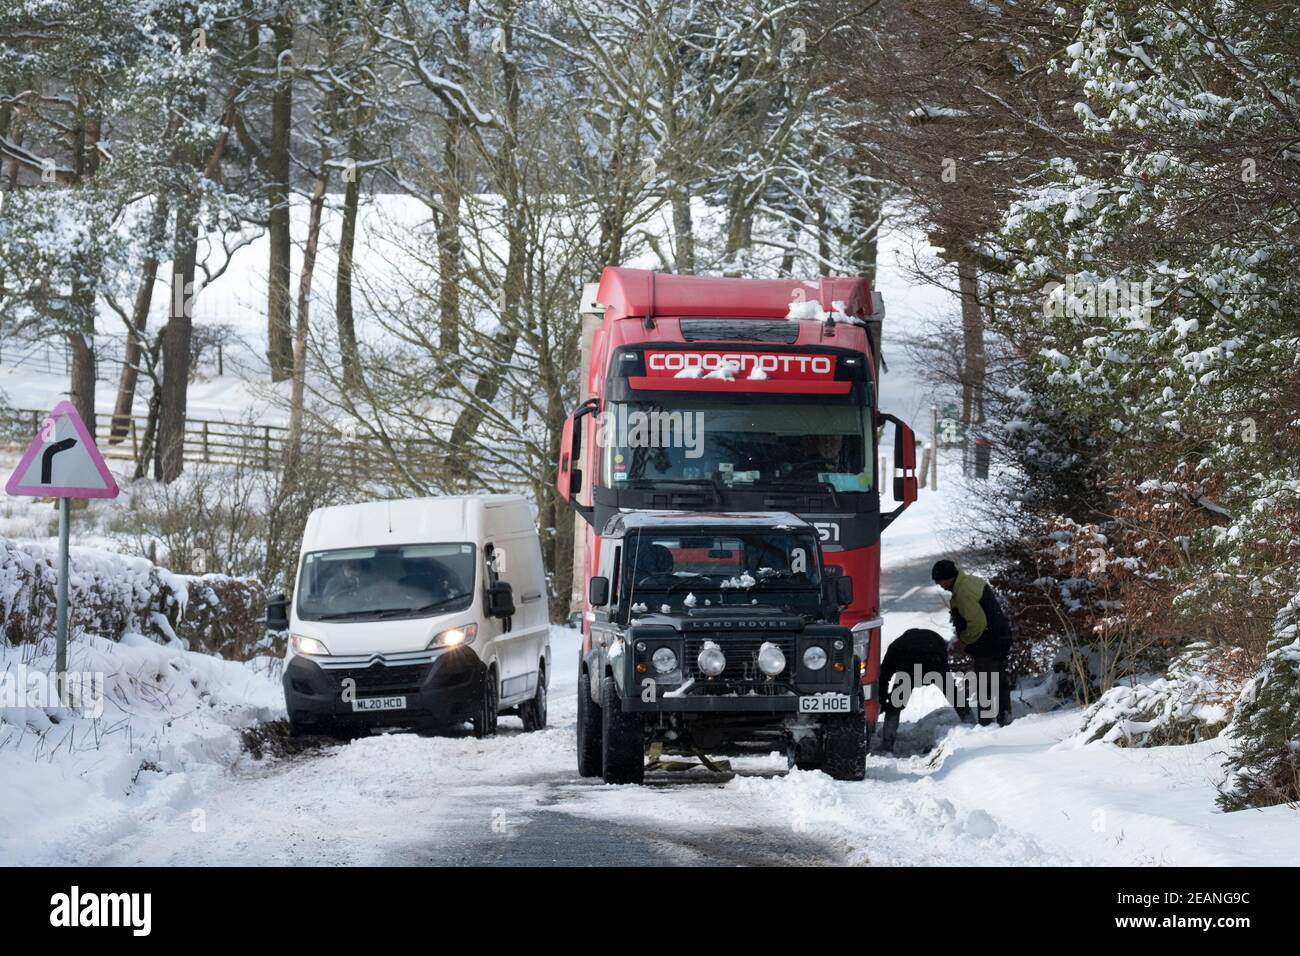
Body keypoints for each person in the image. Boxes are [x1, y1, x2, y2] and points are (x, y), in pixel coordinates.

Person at [931, 559, 1014, 727]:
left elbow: (977, 623)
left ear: (948, 578)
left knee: (986, 685)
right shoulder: (972, 581)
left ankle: (987, 725)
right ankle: (1005, 718)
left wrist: (963, 641)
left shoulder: (963, 592)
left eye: (940, 581)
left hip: (987, 644)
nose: (940, 585)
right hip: (1001, 637)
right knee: (1000, 681)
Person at [875, 627, 962, 752]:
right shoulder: (935, 639)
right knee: (954, 695)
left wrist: (883, 699)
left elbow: (883, 676)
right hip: (934, 662)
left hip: (908, 666)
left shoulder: (896, 646)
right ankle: (970, 724)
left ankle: (887, 743)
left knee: (894, 704)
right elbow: (944, 660)